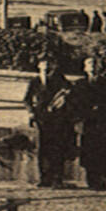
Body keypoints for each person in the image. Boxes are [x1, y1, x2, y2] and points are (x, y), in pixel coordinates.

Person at [23, 58, 75, 188]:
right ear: (39, 66)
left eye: (48, 64)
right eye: (43, 64)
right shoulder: (34, 81)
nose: (46, 67)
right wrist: (31, 112)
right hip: (41, 119)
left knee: (56, 148)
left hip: (56, 120)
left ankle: (57, 178)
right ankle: (44, 178)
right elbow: (26, 99)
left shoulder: (57, 79)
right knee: (42, 149)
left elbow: (68, 90)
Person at [71, 56, 106, 189]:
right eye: (90, 64)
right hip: (87, 122)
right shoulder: (79, 84)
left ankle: (102, 179)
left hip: (101, 122)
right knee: (88, 150)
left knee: (102, 150)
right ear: (85, 68)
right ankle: (91, 179)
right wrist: (83, 112)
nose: (93, 67)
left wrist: (101, 108)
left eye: (95, 64)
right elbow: (74, 102)